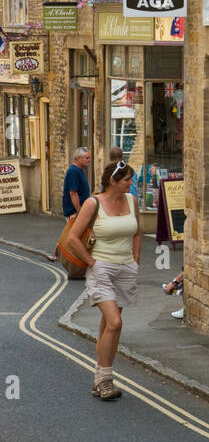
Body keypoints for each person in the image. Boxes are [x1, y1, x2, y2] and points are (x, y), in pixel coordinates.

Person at [68, 160, 140, 401]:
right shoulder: (93, 203)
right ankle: (106, 379)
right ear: (114, 181)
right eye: (128, 179)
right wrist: (91, 263)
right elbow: (73, 238)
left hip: (125, 269)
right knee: (115, 322)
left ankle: (99, 379)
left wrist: (135, 261)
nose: (132, 183)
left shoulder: (132, 201)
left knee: (109, 325)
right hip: (102, 269)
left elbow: (137, 232)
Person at [62, 148, 91, 218]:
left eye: (89, 158)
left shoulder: (78, 170)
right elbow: (73, 193)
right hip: (74, 213)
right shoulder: (74, 171)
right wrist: (79, 212)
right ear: (78, 158)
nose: (89, 160)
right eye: (87, 158)